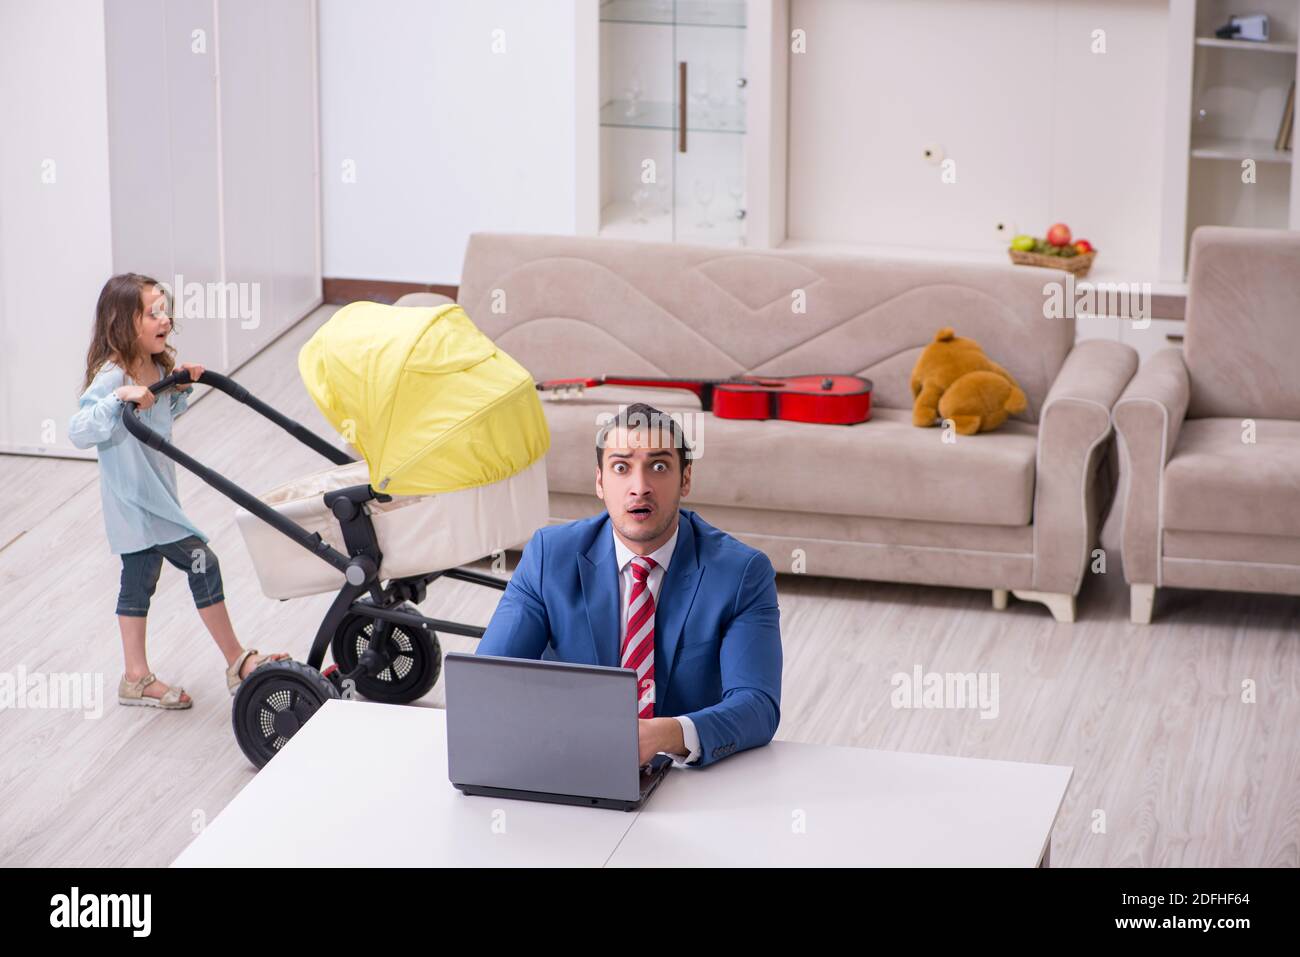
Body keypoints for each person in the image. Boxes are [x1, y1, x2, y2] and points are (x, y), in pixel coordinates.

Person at [478, 402, 782, 767]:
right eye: (621, 467)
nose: (640, 487)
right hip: (572, 762)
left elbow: (757, 706)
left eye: (659, 466)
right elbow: (488, 681)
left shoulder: (742, 573)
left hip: (687, 779)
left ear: (685, 479)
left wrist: (665, 735)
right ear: (600, 482)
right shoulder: (549, 557)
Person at [68, 273, 287, 710]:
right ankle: (236, 661)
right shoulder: (113, 376)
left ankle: (135, 677)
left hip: (157, 495)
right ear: (122, 322)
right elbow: (78, 431)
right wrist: (120, 398)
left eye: (165, 309)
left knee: (139, 580)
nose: (164, 318)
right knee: (204, 563)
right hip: (136, 503)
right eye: (153, 312)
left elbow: (159, 418)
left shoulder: (156, 365)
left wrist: (179, 387)